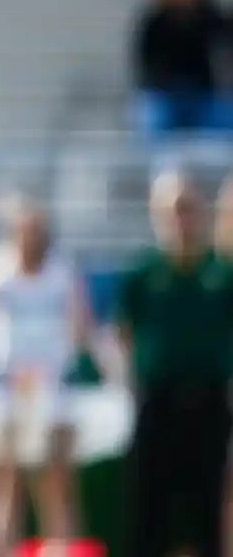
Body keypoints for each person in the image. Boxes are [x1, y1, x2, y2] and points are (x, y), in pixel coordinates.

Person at [0, 194, 92, 556]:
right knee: (5, 489)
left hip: (52, 394)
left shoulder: (63, 275)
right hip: (5, 393)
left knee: (57, 489)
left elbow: (80, 328)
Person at [116, 170, 233, 557]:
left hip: (210, 402)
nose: (180, 219)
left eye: (187, 209)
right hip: (157, 402)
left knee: (207, 510)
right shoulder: (142, 274)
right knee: (150, 512)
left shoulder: (222, 274)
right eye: (171, 210)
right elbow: (122, 333)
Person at [131, 0, 233, 143]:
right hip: (165, 96)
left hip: (204, 95)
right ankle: (166, 171)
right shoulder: (154, 19)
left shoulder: (213, 16)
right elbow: (144, 70)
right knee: (151, 117)